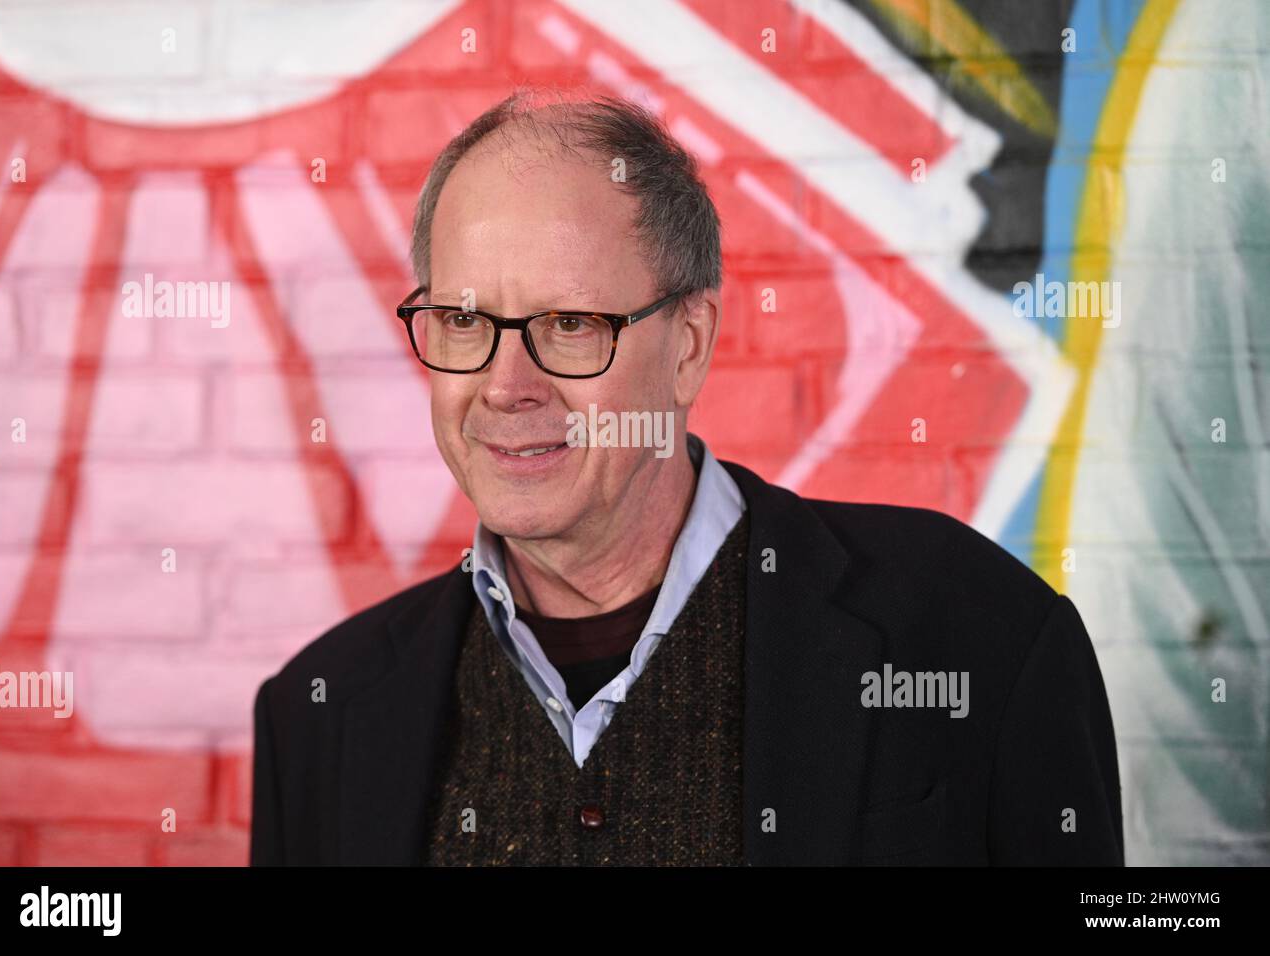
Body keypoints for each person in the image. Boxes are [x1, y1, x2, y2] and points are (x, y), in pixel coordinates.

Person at [249, 88, 1123, 866]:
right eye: (464, 320)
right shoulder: (320, 718)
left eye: (569, 323)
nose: (506, 387)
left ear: (690, 347)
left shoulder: (977, 634)